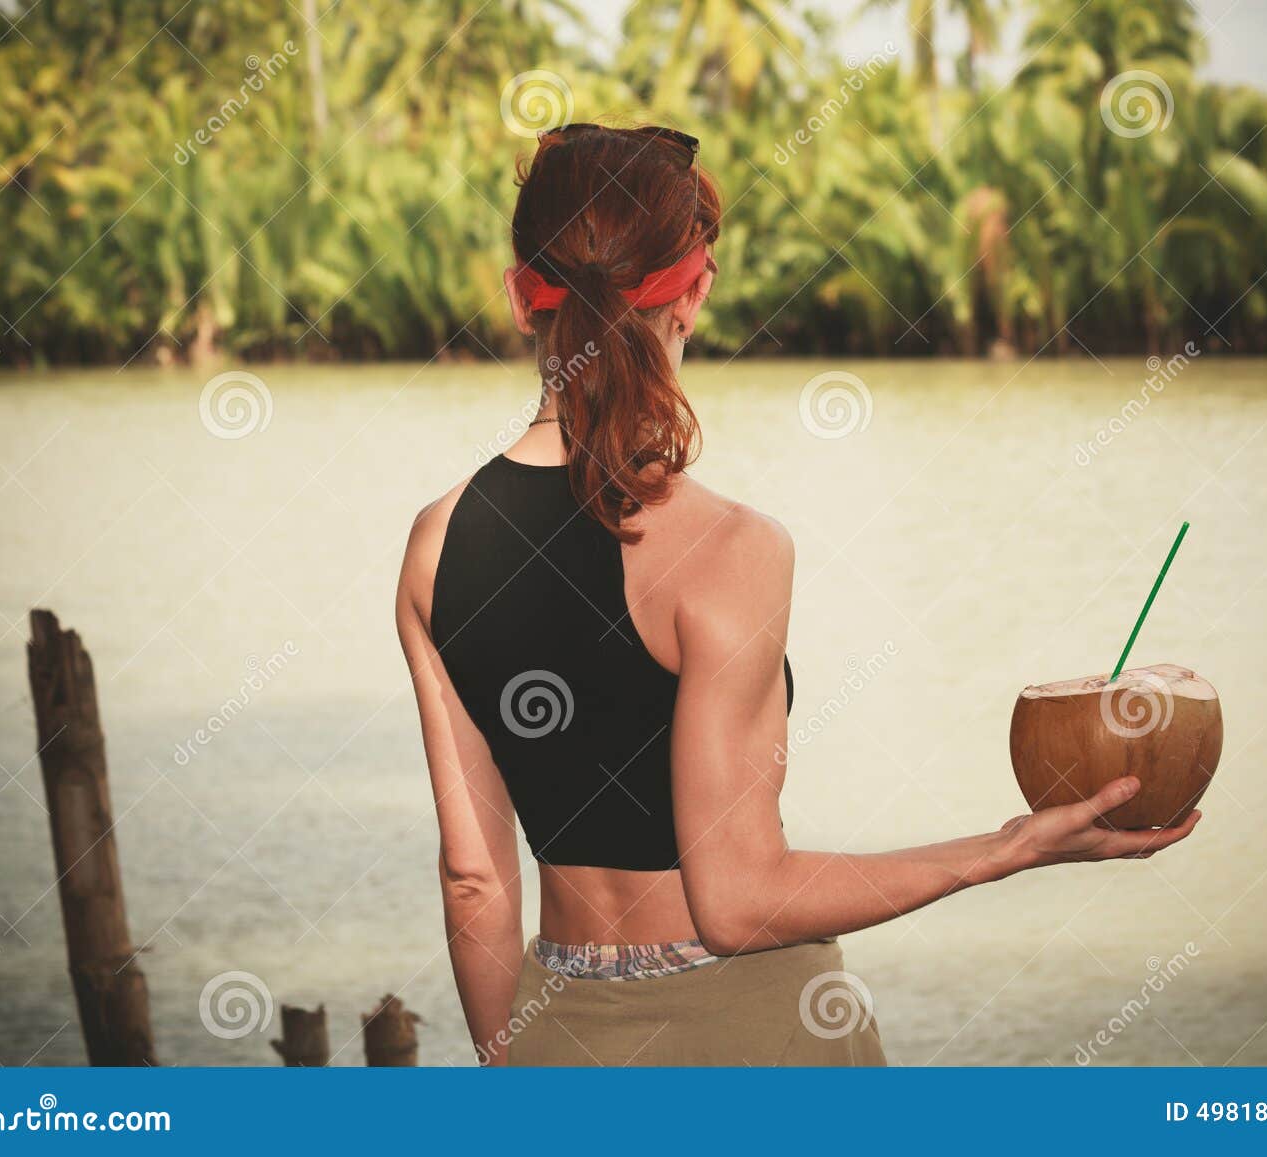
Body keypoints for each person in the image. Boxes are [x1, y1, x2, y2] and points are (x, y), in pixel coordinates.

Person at [395, 123, 1200, 1066]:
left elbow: (473, 883)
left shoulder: (435, 543)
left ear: (520, 296)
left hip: (557, 1032)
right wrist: (1008, 846)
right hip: (753, 1038)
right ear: (694, 292)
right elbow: (739, 902)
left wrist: (518, 1068)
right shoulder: (730, 548)